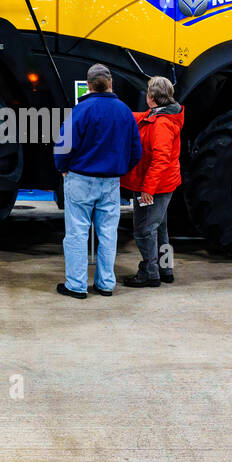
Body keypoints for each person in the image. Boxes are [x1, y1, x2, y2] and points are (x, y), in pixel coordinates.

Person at [53, 64, 142, 298]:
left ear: (89, 85)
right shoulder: (124, 111)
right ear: (111, 83)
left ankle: (76, 285)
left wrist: (63, 168)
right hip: (111, 182)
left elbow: (63, 145)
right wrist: (119, 169)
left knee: (77, 234)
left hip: (80, 180)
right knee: (108, 234)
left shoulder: (81, 110)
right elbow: (136, 151)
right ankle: (105, 284)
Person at [121, 77, 184, 288]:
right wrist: (116, 112)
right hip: (163, 184)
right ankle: (165, 269)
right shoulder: (159, 115)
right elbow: (141, 117)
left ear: (152, 98)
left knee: (143, 230)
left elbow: (161, 159)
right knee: (160, 229)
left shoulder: (162, 125)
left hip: (155, 186)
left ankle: (149, 273)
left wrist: (148, 189)